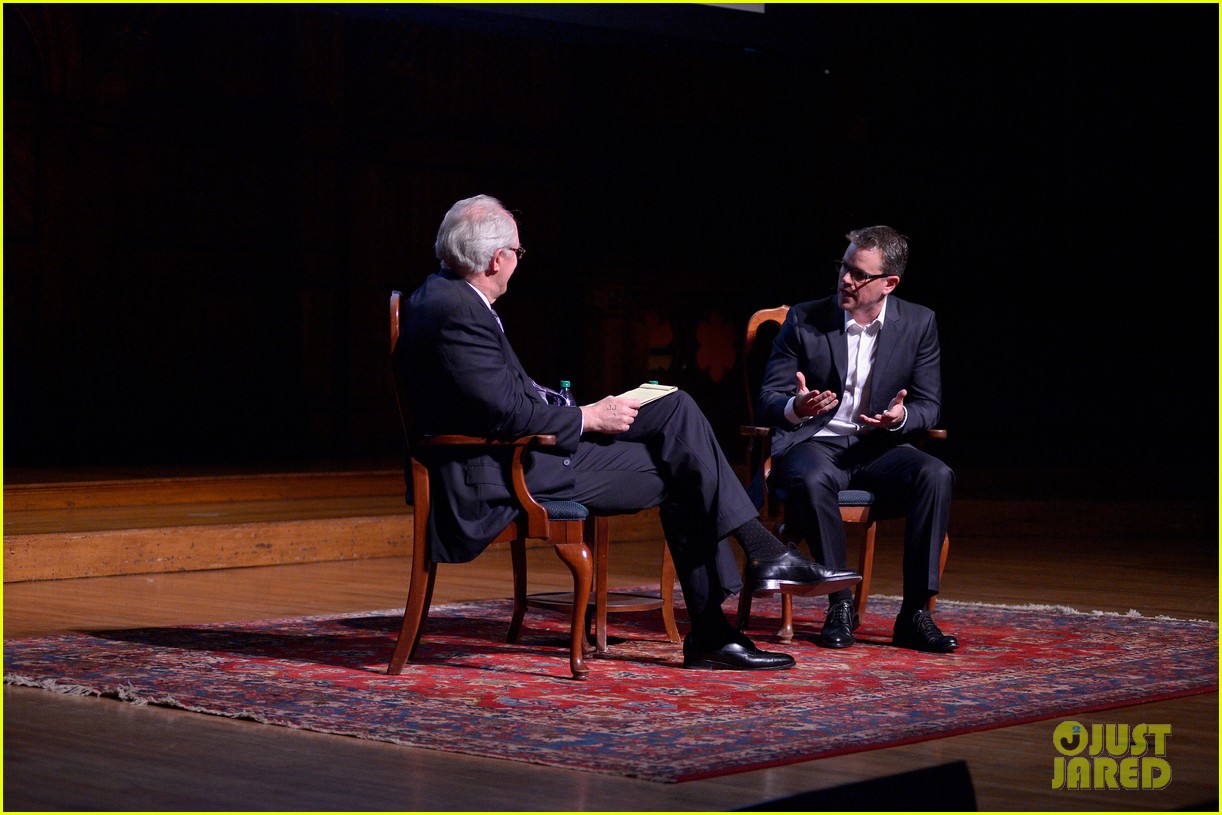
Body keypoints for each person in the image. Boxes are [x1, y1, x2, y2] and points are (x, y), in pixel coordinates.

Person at [396, 194, 862, 671]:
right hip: (500, 474)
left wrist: (583, 408)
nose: (518, 261)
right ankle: (728, 606)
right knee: (688, 472)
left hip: (521, 453)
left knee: (673, 407)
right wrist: (588, 418)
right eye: (518, 252)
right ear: (497, 259)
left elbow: (499, 398)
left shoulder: (446, 295)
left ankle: (742, 588)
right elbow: (506, 414)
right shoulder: (456, 310)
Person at [756, 225, 958, 653]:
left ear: (890, 283)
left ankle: (916, 614)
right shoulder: (805, 318)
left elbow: (929, 405)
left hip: (878, 447)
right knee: (810, 480)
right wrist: (798, 407)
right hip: (816, 444)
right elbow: (770, 397)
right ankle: (840, 604)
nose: (846, 280)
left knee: (935, 474)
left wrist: (901, 416)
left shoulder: (918, 323)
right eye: (844, 268)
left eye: (859, 274)